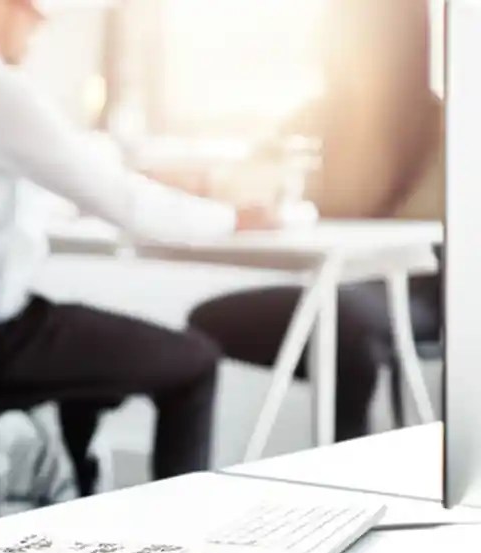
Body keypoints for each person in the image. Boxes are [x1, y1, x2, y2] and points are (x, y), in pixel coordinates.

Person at [0, 0, 277, 489]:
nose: (38, 31)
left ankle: (81, 500)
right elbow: (126, 203)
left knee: (83, 349)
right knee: (193, 362)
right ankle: (186, 542)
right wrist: (233, 218)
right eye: (37, 17)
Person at [188, 0, 443, 440]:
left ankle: (347, 467)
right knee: (206, 320)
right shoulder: (316, 117)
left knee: (344, 325)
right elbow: (250, 184)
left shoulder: (443, 123)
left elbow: (420, 230)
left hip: (415, 289)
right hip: (332, 283)